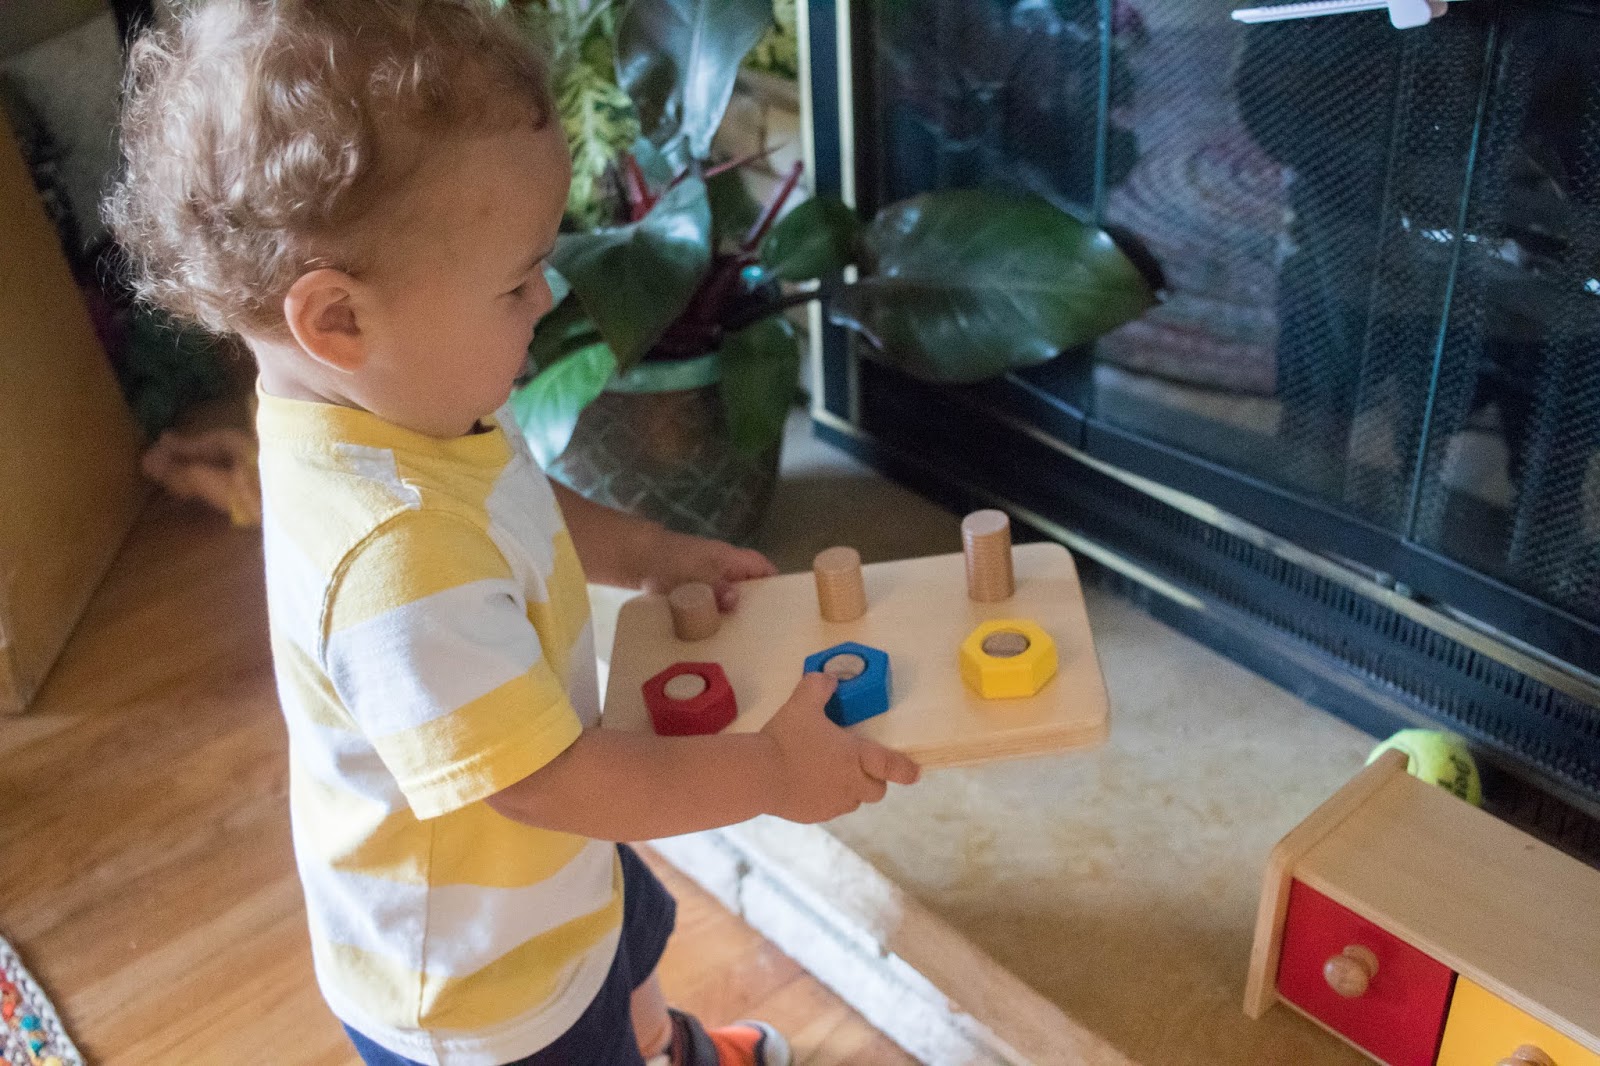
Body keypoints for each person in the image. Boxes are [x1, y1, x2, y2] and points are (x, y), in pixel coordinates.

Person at [104, 4, 922, 1065]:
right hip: (487, 992)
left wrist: (649, 553)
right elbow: (551, 782)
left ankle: (662, 1042)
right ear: (338, 320)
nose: (548, 295)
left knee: (626, 942)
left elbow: (513, 507)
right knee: (589, 1000)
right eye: (513, 280)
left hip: (543, 880)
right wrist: (769, 770)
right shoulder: (393, 564)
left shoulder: (395, 411)